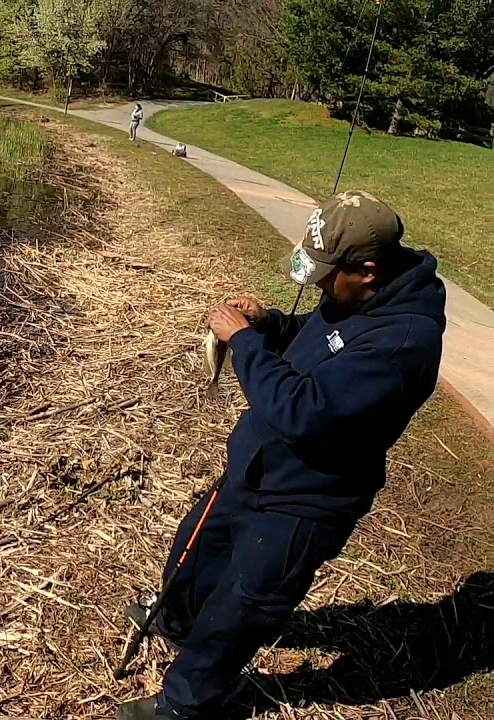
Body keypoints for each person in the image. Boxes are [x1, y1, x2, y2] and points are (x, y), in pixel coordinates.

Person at [117, 191, 447, 720]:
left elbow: (306, 411)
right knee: (197, 548)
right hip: (256, 467)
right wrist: (268, 324)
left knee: (242, 606)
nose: (316, 287)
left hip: (304, 500)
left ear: (366, 271)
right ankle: (175, 622)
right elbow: (317, 348)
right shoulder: (354, 301)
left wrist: (245, 344)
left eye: (324, 276)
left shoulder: (404, 340)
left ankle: (183, 705)